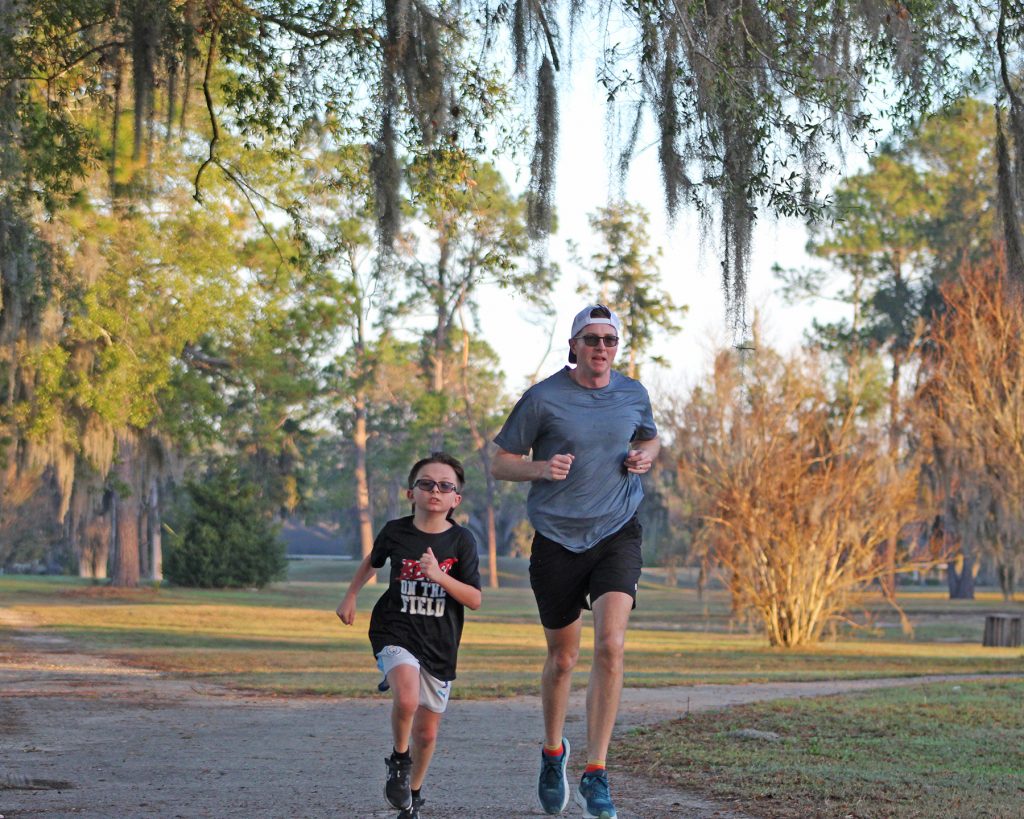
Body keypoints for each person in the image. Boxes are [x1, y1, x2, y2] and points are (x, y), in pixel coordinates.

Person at [491, 304, 659, 819]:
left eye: (609, 340)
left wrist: (646, 456)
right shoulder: (542, 399)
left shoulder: (633, 393)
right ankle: (552, 753)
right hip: (558, 539)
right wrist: (541, 468)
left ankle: (597, 772)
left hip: (616, 531)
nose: (602, 348)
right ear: (574, 346)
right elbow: (498, 462)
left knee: (611, 645)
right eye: (592, 340)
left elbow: (649, 436)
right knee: (563, 659)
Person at [337, 452, 482, 819]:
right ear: (411, 493)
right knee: (406, 696)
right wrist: (351, 594)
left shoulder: (462, 542)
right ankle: (399, 760)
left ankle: (413, 794)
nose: (435, 490)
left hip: (440, 642)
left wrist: (440, 576)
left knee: (429, 734)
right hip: (394, 629)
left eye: (445, 486)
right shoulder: (396, 532)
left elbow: (475, 599)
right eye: (426, 483)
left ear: (455, 499)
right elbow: (372, 562)